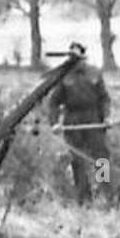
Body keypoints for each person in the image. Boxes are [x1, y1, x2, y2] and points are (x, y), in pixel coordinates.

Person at [47, 41, 110, 203]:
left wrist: (107, 116)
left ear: (83, 58)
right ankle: (83, 198)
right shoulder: (64, 77)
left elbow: (104, 98)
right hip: (73, 121)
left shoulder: (95, 73)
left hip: (93, 119)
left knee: (101, 158)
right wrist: (54, 122)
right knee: (78, 159)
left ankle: (104, 193)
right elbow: (53, 102)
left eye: (77, 58)